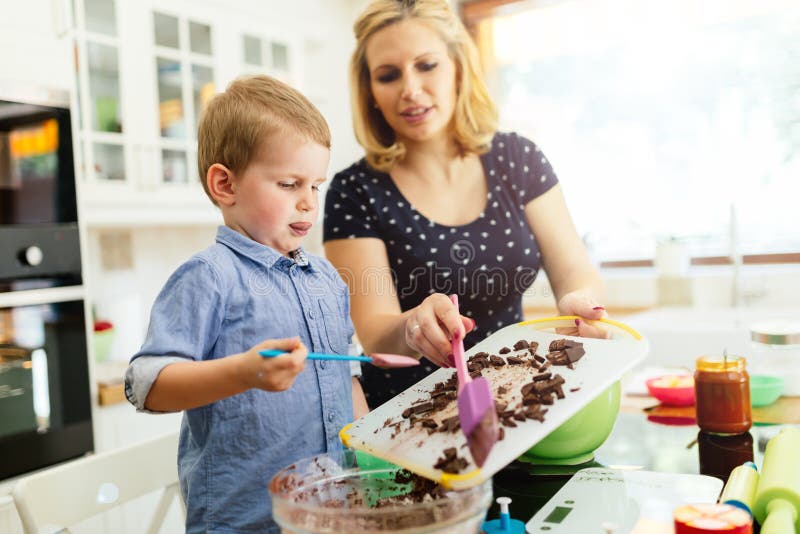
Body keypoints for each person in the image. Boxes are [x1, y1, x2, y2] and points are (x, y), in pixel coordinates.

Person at [323, 0, 608, 409]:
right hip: (407, 418)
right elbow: (375, 331)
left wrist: (580, 304)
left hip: (516, 397)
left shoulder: (518, 159)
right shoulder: (354, 191)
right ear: (370, 92)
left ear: (458, 67)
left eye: (427, 65)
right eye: (388, 75)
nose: (410, 89)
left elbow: (575, 272)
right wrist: (412, 327)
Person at [124, 75, 366, 533]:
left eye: (316, 186)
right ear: (225, 184)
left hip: (331, 517)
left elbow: (346, 375)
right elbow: (146, 384)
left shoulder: (328, 279)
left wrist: (374, 460)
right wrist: (244, 373)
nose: (307, 204)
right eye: (290, 183)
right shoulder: (209, 277)